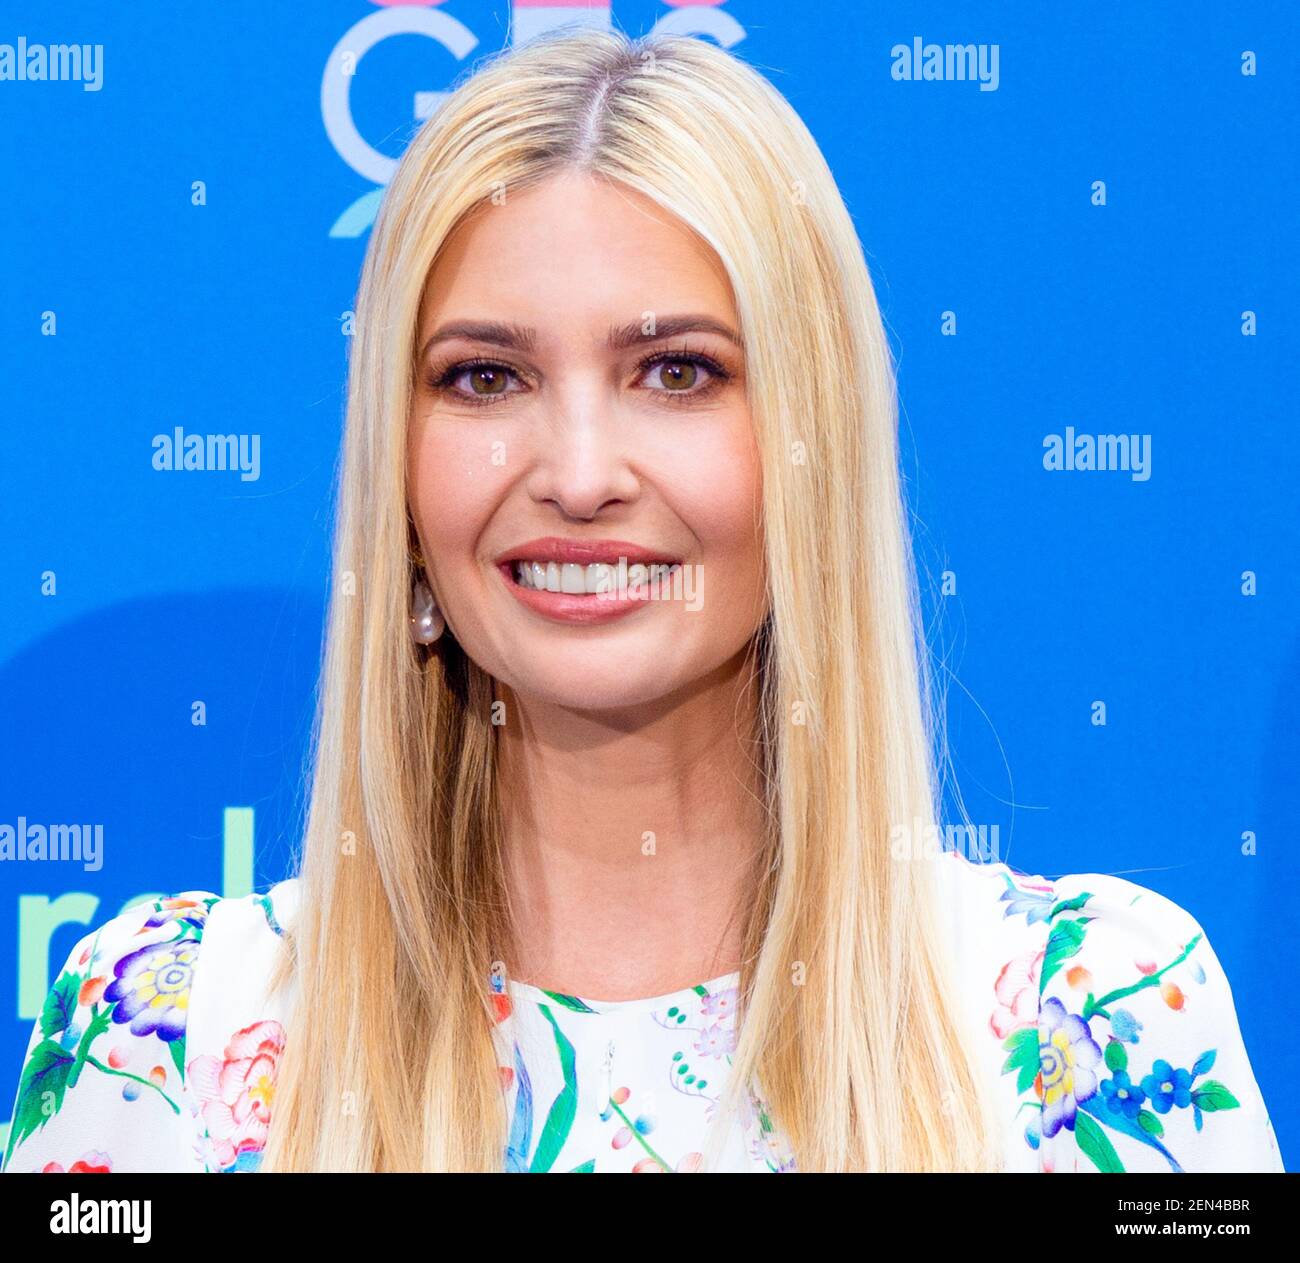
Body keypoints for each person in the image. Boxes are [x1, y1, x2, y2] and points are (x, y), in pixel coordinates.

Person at [1, 27, 1285, 1174]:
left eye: (676, 372)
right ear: (393, 464)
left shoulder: (1090, 1020)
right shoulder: (162, 1037)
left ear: (812, 444)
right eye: (484, 379)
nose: (575, 475)